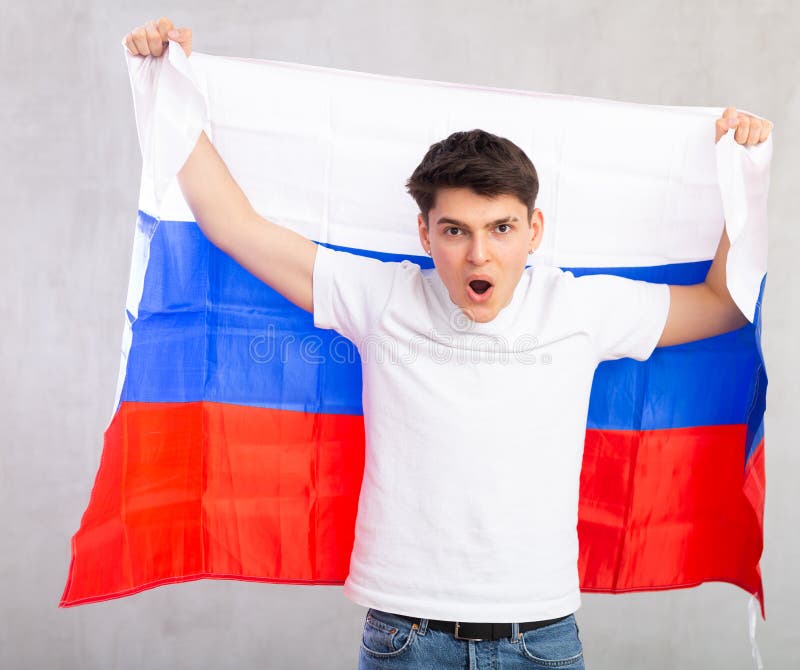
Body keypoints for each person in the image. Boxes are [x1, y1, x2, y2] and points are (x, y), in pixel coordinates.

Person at [124, 18, 774, 670]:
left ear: (533, 229)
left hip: (541, 640)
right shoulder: (381, 297)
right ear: (425, 232)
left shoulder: (580, 307)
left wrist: (742, 171)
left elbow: (721, 304)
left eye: (501, 228)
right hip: (407, 639)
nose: (479, 253)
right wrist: (164, 84)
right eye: (456, 230)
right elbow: (232, 225)